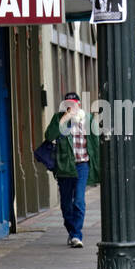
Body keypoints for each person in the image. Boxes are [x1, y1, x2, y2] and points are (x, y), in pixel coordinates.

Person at [44, 91, 99, 248]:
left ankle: (76, 235)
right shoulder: (58, 118)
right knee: (66, 204)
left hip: (82, 165)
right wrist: (63, 120)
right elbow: (49, 136)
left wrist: (97, 166)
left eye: (73, 104)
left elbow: (95, 144)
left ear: (79, 105)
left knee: (79, 200)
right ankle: (72, 231)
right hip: (64, 166)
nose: (71, 107)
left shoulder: (88, 119)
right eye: (67, 104)